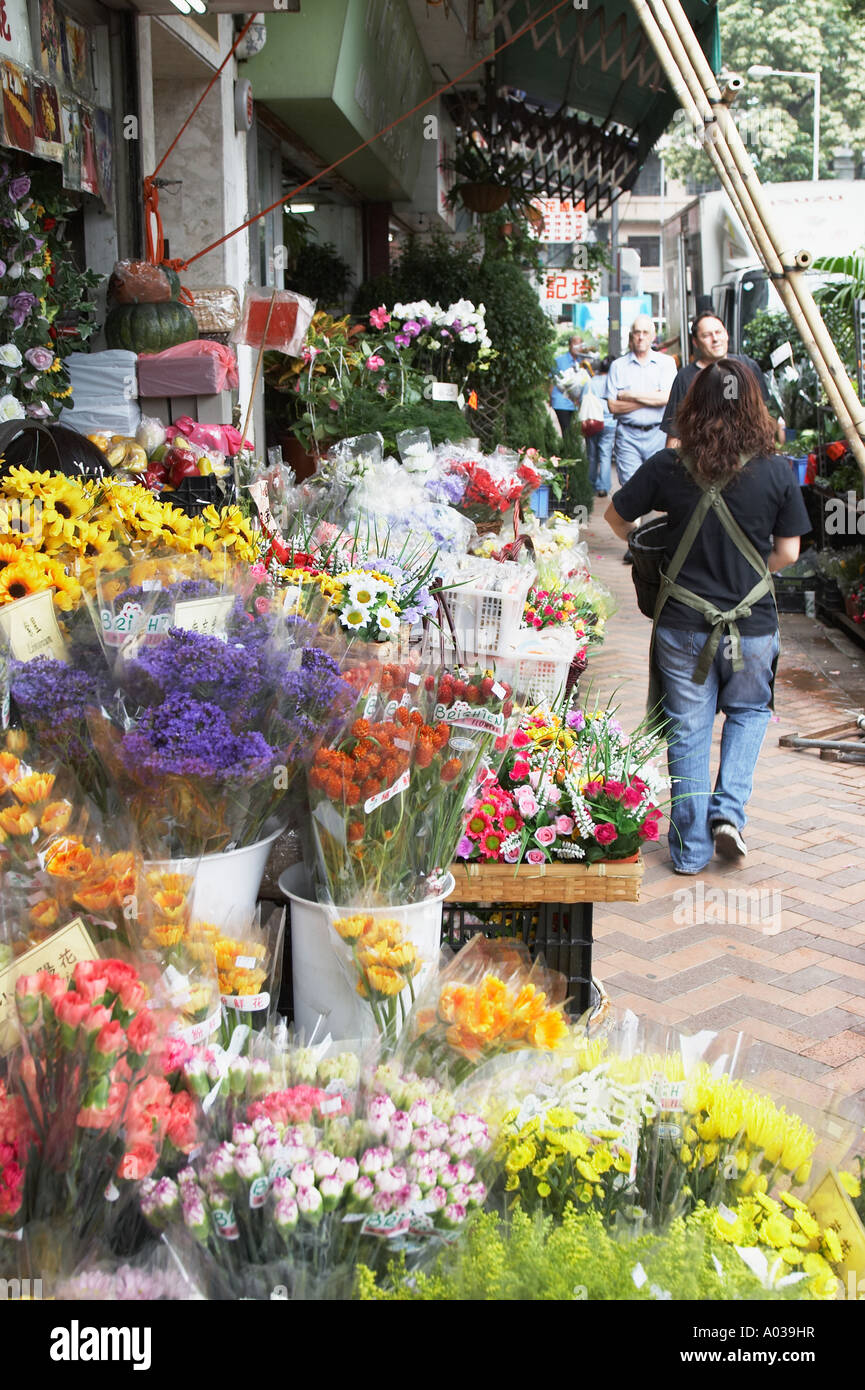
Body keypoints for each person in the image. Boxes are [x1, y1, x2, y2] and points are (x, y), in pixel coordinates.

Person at [604, 358, 810, 874]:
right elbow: (788, 552)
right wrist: (748, 575)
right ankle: (728, 813)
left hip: (683, 624)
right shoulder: (776, 471)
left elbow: (616, 518)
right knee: (750, 712)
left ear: (693, 405)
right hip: (753, 624)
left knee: (688, 730)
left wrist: (652, 548)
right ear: (755, 406)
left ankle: (690, 852)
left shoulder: (667, 465)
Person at [662, 312, 786, 448]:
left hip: (747, 452)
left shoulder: (748, 367)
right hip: (705, 456)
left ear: (726, 334)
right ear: (695, 342)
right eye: (707, 335)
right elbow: (674, 435)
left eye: (718, 332)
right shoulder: (685, 378)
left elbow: (764, 416)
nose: (715, 339)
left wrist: (770, 452)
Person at [606, 315, 677, 487]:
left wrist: (629, 395)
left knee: (660, 488)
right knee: (630, 489)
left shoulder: (666, 363)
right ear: (631, 336)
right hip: (627, 437)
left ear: (653, 336)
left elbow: (667, 398)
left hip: (658, 435)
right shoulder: (618, 366)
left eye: (645, 332)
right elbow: (613, 406)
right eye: (637, 332)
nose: (641, 337)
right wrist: (652, 398)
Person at [581, 354, 615, 496]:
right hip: (610, 422)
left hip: (593, 422)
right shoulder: (614, 382)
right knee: (605, 455)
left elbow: (583, 400)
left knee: (592, 455)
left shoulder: (591, 382)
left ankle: (590, 486)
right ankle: (603, 487)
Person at [550, 335, 590, 440]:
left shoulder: (584, 361)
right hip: (562, 402)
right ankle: (567, 448)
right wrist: (550, 398)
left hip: (577, 403)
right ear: (569, 345)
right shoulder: (559, 360)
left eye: (580, 344)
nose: (577, 347)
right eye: (575, 343)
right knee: (567, 432)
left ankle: (571, 448)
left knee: (576, 432)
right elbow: (551, 381)